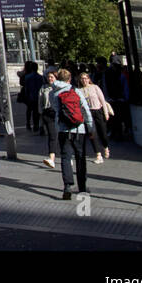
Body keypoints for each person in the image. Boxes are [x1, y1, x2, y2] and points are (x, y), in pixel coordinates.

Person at [51, 67, 94, 199]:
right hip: (78, 128)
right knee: (80, 157)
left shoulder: (53, 93)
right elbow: (85, 109)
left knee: (65, 157)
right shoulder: (75, 90)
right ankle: (82, 187)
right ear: (69, 79)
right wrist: (90, 127)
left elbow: (55, 109)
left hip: (63, 129)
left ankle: (67, 186)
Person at [81, 71, 112, 163]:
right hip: (87, 113)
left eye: (86, 78)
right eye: (82, 79)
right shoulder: (80, 90)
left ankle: (105, 146)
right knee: (92, 133)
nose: (84, 80)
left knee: (103, 132)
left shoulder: (95, 87)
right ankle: (98, 154)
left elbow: (102, 100)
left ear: (89, 79)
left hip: (98, 110)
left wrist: (106, 113)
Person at [105, 54, 132, 142]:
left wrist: (125, 98)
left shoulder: (120, 75)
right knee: (114, 118)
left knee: (118, 118)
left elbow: (125, 88)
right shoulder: (110, 75)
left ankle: (118, 133)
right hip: (113, 99)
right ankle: (116, 133)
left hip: (119, 99)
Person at [39, 71, 59, 165]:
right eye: (48, 77)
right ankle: (52, 158)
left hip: (58, 113)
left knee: (62, 135)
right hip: (48, 113)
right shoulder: (44, 88)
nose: (50, 79)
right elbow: (40, 102)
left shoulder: (59, 87)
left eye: (52, 77)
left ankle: (66, 156)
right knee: (52, 135)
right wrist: (41, 113)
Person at [20, 62, 45, 134]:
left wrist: (27, 95)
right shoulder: (40, 77)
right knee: (38, 111)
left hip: (31, 96)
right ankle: (38, 125)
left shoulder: (28, 77)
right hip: (38, 96)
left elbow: (26, 88)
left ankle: (32, 124)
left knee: (31, 111)